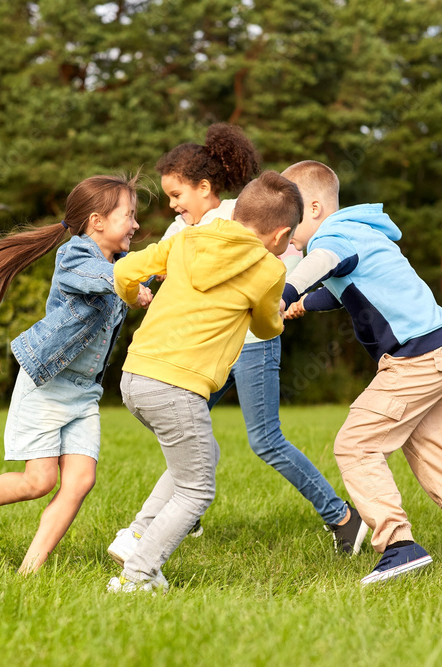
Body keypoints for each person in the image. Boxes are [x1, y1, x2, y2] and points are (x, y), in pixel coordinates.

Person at [107, 125, 366, 570]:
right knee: (193, 438)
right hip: (198, 355)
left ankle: (342, 518)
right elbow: (160, 267)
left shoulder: (240, 213)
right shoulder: (181, 230)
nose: (173, 205)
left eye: (177, 194)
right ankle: (155, 526)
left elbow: (284, 255)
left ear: (204, 188)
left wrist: (287, 298)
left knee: (264, 440)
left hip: (249, 343)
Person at [281, 160, 442, 584]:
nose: (286, 230)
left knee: (356, 446)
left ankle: (399, 547)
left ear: (313, 208)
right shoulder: (364, 232)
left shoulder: (333, 236)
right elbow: (345, 289)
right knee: (436, 458)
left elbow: (327, 260)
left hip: (417, 359)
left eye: (289, 217)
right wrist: (304, 304)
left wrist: (285, 292)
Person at [0, 174, 153, 574]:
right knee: (39, 481)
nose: (135, 225)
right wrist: (131, 286)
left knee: (81, 481)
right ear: (97, 221)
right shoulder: (75, 257)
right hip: (48, 385)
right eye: (129, 215)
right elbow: (103, 281)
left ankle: (30, 571)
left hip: (84, 393)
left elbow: (143, 274)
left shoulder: (120, 265)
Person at [106, 171, 300, 593]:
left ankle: (137, 536)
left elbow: (125, 274)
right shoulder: (269, 268)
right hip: (177, 387)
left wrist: (134, 299)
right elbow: (267, 328)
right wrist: (275, 316)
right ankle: (138, 575)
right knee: (197, 490)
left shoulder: (187, 239)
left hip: (134, 376)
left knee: (201, 454)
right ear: (281, 234)